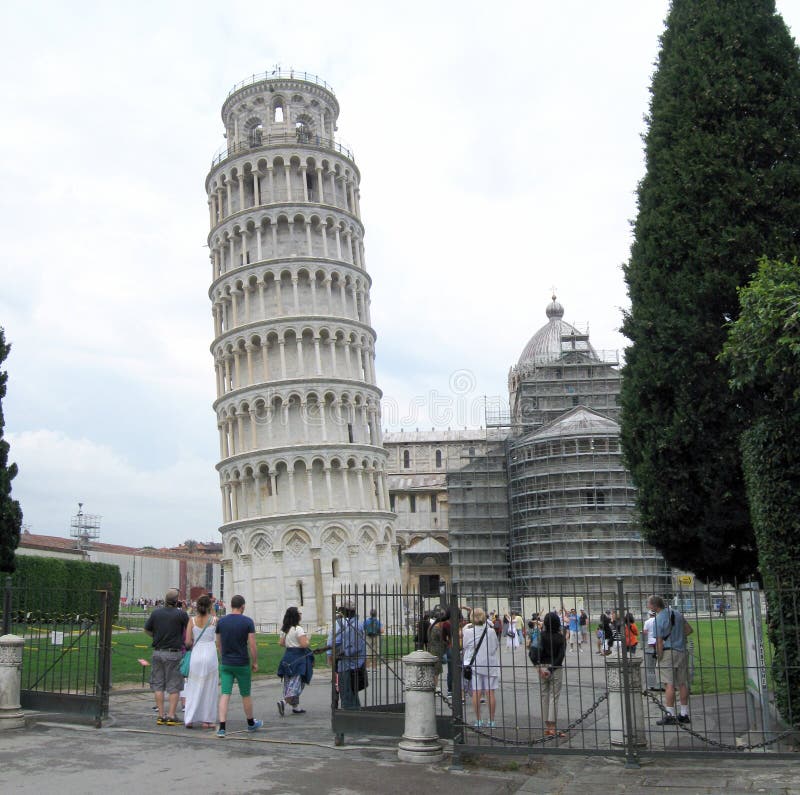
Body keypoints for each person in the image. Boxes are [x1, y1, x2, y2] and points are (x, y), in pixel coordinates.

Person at [215, 594, 263, 737]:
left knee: (225, 693)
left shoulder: (222, 622)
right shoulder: (247, 622)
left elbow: (218, 643)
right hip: (241, 662)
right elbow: (252, 645)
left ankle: (222, 727)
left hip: (226, 662)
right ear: (242, 606)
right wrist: (255, 662)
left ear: (231, 606)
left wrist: (223, 655)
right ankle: (250, 723)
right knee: (245, 694)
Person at [144, 588, 189, 726]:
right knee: (174, 685)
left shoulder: (156, 613)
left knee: (158, 684)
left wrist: (156, 636)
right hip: (173, 652)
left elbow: (146, 629)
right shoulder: (181, 615)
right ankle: (171, 715)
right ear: (177, 601)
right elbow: (189, 631)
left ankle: (160, 715)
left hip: (158, 652)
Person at [648, 594, 693, 725]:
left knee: (669, 683)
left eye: (649, 603)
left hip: (668, 652)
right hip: (682, 651)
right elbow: (689, 630)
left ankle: (670, 714)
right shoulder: (677, 613)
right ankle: (684, 713)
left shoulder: (658, 619)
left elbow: (659, 642)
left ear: (654, 606)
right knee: (683, 682)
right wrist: (677, 637)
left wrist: (659, 657)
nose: (648, 605)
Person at [183, 594, 218, 729]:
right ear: (209, 606)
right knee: (209, 688)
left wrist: (192, 642)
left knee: (193, 686)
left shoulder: (191, 621)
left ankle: (190, 718)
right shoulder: (214, 620)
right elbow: (218, 638)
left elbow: (187, 642)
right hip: (210, 652)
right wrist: (212, 610)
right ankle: (207, 720)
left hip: (197, 653)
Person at [461, 607, 500, 728]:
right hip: (489, 663)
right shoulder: (491, 631)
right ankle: (491, 720)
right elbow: (495, 647)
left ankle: (478, 720)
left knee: (476, 692)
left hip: (475, 664)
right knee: (490, 692)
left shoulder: (467, 632)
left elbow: (465, 646)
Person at [327, 600, 366, 710]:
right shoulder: (355, 623)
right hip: (353, 664)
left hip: (347, 665)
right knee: (350, 693)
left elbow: (333, 644)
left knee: (348, 695)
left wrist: (334, 655)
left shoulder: (346, 624)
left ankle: (350, 718)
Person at [276, 606, 313, 716]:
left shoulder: (285, 629)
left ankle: (296, 707)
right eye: (299, 613)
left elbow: (281, 643)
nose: (301, 614)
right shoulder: (298, 629)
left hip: (287, 656)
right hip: (298, 657)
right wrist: (308, 640)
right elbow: (303, 644)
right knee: (297, 683)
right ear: (295, 615)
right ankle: (284, 702)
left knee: (288, 682)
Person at [538, 611, 566, 737]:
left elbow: (533, 653)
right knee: (554, 697)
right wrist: (551, 669)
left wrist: (539, 668)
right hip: (555, 668)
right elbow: (561, 657)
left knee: (544, 695)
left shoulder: (540, 636)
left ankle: (546, 726)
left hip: (542, 667)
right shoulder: (561, 637)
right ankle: (552, 727)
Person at [642, 609, 661, 690]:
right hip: (658, 641)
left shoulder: (647, 622)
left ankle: (652, 682)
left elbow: (645, 632)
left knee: (651, 662)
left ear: (649, 614)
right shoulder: (659, 620)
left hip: (651, 642)